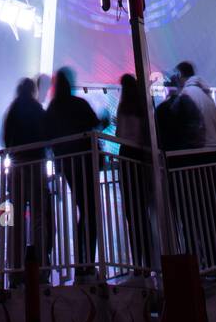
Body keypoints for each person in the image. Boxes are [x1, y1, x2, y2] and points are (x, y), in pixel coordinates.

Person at [44, 68, 106, 278]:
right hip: (87, 162)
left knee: (84, 210)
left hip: (69, 166)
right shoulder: (78, 104)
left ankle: (82, 262)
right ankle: (87, 261)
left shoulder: (53, 108)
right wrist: (104, 121)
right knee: (91, 212)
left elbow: (49, 135)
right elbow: (95, 123)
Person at [3, 78, 49, 276]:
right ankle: (40, 267)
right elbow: (47, 135)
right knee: (39, 217)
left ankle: (15, 267)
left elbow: (5, 137)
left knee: (15, 219)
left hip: (17, 165)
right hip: (36, 164)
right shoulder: (38, 109)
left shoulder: (12, 110)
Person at [115, 74, 153, 272]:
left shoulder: (123, 108)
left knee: (132, 212)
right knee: (143, 211)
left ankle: (138, 261)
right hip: (142, 158)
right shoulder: (143, 107)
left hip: (126, 158)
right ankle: (151, 258)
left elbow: (119, 135)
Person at [173, 62, 216, 148]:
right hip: (214, 144)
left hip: (200, 146)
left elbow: (177, 120)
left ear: (179, 75)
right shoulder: (206, 94)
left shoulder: (187, 93)